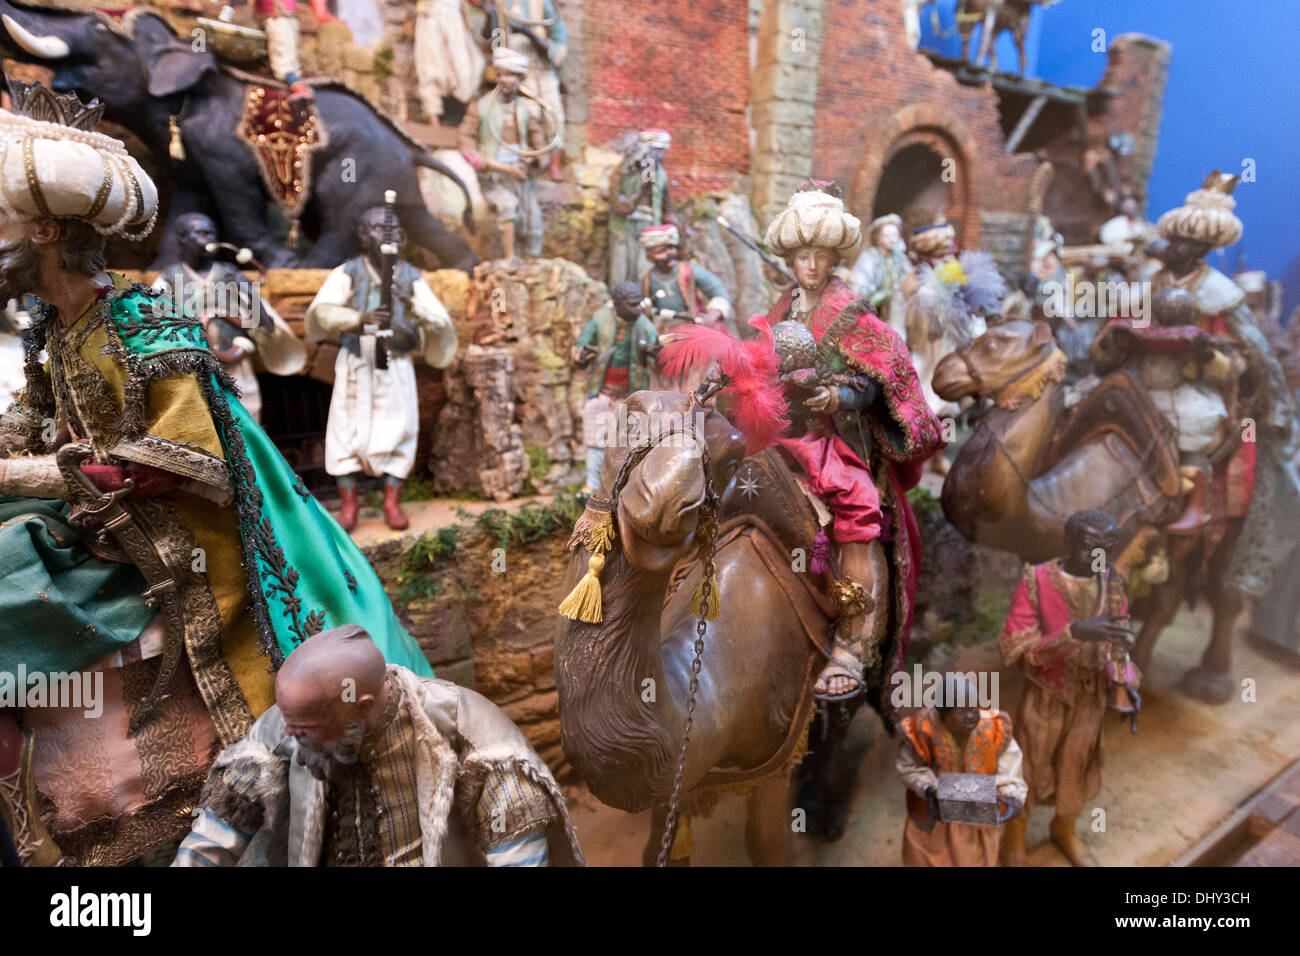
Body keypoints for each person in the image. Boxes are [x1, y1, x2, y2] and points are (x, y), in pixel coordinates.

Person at [0, 81, 430, 865]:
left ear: (48, 230)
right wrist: (21, 459)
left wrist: (44, 473)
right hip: (93, 517)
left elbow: (185, 458)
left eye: (4, 226)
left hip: (171, 530)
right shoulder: (55, 332)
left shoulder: (140, 323)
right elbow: (27, 423)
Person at [173, 625, 584, 866]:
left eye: (306, 727)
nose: (288, 735)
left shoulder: (463, 724)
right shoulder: (286, 726)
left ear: (361, 707)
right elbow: (213, 838)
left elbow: (518, 855)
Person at [762, 182, 945, 701]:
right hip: (777, 435)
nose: (811, 266)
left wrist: (838, 396)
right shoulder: (781, 309)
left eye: (819, 256)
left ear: (834, 257)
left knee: (855, 510)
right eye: (802, 256)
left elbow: (879, 380)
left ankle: (852, 639)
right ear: (791, 259)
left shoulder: (853, 314)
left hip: (833, 441)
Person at [305, 205, 458, 531]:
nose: (386, 234)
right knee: (344, 430)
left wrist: (411, 306)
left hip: (395, 364)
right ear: (363, 234)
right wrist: (360, 319)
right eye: (377, 228)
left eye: (391, 228)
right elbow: (324, 313)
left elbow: (439, 320)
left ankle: (392, 502)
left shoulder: (410, 277)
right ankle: (349, 505)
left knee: (401, 427)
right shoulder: (348, 272)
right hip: (357, 363)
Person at [999, 509, 1132, 867]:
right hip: (1046, 694)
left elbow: (1121, 644)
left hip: (1091, 697)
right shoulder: (1036, 580)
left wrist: (1127, 682)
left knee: (1079, 764)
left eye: (1107, 548)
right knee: (1029, 766)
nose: (1099, 558)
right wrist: (1073, 634)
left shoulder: (1111, 582)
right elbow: (1016, 648)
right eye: (1090, 547)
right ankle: (1014, 837)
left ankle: (1064, 828)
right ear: (1069, 542)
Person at [152, 213, 305, 423]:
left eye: (212, 233)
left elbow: (262, 324)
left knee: (246, 421)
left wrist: (249, 295)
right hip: (192, 368)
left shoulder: (229, 273)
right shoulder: (169, 278)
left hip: (235, 364)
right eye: (201, 233)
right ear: (182, 238)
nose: (210, 239)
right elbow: (154, 324)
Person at [895, 677, 1026, 866]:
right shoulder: (922, 728)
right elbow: (909, 767)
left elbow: (1011, 766)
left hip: (978, 818)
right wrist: (930, 790)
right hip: (934, 815)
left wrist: (1013, 796)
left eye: (974, 709)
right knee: (924, 856)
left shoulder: (994, 728)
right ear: (942, 713)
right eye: (960, 711)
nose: (971, 716)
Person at [459, 46, 549, 261]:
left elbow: (540, 144)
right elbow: (465, 138)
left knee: (532, 219)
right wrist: (482, 160)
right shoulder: (481, 106)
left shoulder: (525, 110)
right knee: (507, 205)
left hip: (521, 176)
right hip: (493, 176)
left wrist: (535, 157)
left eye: (510, 75)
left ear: (519, 79)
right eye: (501, 74)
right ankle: (510, 258)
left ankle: (531, 263)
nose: (505, 80)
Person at [572, 281, 660, 492]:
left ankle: (626, 485)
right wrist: (582, 354)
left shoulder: (643, 323)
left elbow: (658, 348)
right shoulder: (600, 319)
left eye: (639, 303)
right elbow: (580, 346)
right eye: (632, 304)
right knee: (595, 439)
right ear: (618, 304)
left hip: (632, 394)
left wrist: (655, 352)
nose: (638, 309)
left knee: (631, 439)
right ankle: (592, 485)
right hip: (601, 392)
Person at [638, 223, 732, 392]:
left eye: (671, 248)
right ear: (649, 255)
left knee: (696, 374)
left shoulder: (690, 271)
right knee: (663, 376)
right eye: (662, 251)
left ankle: (695, 404)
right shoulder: (647, 278)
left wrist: (713, 313)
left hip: (691, 330)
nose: (669, 254)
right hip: (663, 336)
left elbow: (719, 291)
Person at [484, 0, 568, 179]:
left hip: (544, 71)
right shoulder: (503, 4)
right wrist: (489, 15)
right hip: (519, 73)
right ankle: (533, 160)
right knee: (529, 116)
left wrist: (526, 32)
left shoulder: (544, 5)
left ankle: (554, 165)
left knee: (554, 117)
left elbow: (558, 47)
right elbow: (495, 41)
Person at [608, 128, 672, 287]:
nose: (660, 155)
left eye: (662, 151)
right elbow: (616, 200)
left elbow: (664, 200)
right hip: (623, 228)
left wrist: (669, 217)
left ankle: (642, 301)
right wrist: (626, 204)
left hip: (649, 229)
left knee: (644, 268)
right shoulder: (625, 169)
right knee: (621, 267)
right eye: (657, 151)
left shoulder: (659, 172)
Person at [414, 0, 485, 122]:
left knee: (472, 64)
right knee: (431, 62)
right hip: (433, 11)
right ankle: (433, 115)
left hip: (455, 13)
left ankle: (467, 112)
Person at [848, 213, 913, 333]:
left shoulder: (900, 258)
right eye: (886, 235)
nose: (892, 239)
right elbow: (860, 286)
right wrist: (884, 294)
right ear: (878, 237)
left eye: (894, 235)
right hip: (874, 304)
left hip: (897, 306)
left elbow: (908, 278)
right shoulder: (869, 258)